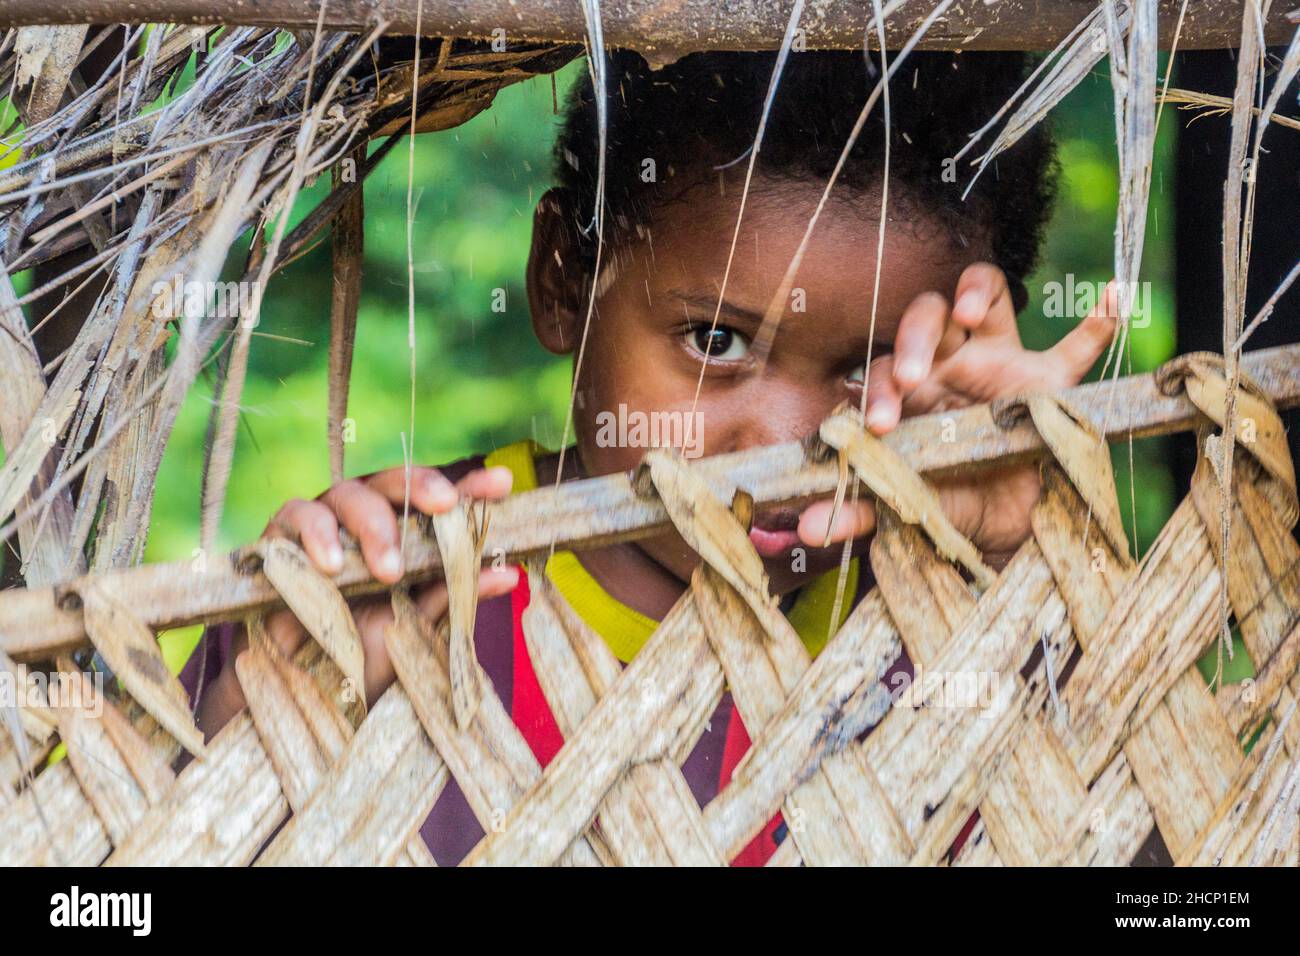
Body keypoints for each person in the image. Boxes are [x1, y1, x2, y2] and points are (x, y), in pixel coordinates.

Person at [182, 49, 1119, 865]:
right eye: (713, 340)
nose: (781, 446)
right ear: (562, 280)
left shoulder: (946, 640)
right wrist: (246, 746)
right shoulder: (379, 592)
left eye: (868, 370)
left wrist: (1021, 567)